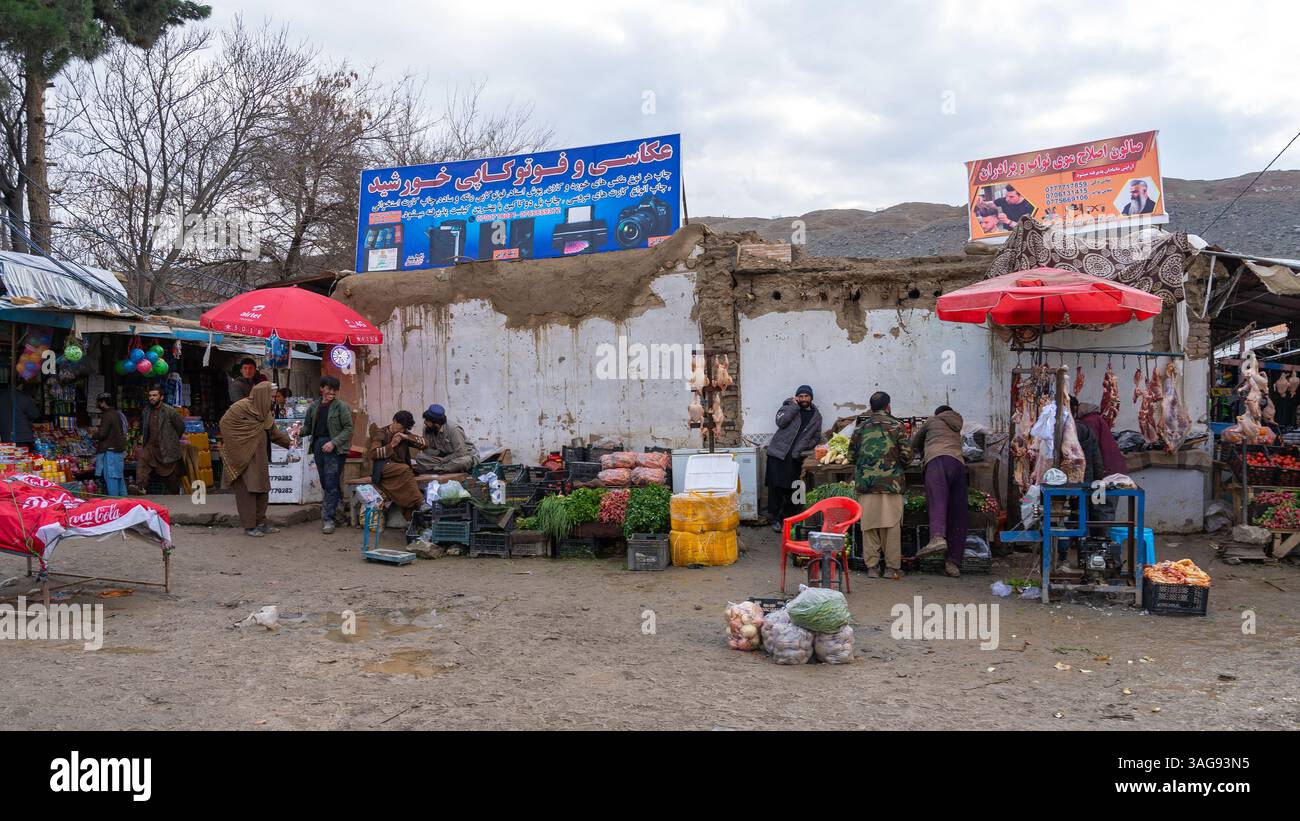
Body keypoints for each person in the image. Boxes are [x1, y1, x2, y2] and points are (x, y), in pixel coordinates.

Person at [847, 391, 913, 580]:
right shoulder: (897, 425)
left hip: (866, 484)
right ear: (888, 406)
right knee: (891, 525)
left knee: (869, 525)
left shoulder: (860, 428)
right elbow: (907, 455)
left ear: (871, 407)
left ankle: (872, 567)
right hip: (892, 483)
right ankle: (892, 568)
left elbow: (851, 456)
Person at [220, 382, 291, 538]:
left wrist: (289, 442)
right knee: (247, 492)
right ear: (261, 395)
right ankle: (249, 525)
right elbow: (225, 425)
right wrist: (240, 446)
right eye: (271, 396)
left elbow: (273, 432)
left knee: (262, 489)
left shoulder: (265, 411)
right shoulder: (240, 408)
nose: (273, 400)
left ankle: (261, 522)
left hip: (260, 457)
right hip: (243, 457)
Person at [912, 405, 968, 577]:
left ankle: (937, 537)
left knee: (938, 501)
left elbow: (914, 442)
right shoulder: (957, 424)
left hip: (936, 462)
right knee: (958, 512)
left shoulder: (932, 421)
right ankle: (953, 562)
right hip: (958, 464)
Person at [765, 386, 823, 532]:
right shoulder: (787, 407)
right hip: (778, 454)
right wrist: (794, 407)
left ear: (811, 398)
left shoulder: (816, 416)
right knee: (776, 487)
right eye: (801, 396)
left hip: (796, 456)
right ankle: (776, 518)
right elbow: (781, 422)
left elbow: (816, 435)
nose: (804, 399)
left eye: (806, 396)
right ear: (797, 397)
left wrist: (805, 446)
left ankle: (788, 517)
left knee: (794, 488)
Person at [303, 376, 353, 534]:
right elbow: (308, 427)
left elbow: (348, 429)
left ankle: (328, 519)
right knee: (326, 482)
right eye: (329, 389)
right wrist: (297, 432)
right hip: (318, 446)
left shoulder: (341, 407)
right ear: (322, 389)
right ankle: (339, 514)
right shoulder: (314, 406)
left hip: (335, 449)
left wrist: (333, 443)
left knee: (331, 482)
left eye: (334, 390)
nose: (331, 392)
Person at [366, 411, 428, 519]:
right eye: (400, 428)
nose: (401, 430)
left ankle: (412, 521)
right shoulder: (381, 433)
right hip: (383, 469)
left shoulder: (403, 434)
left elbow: (425, 444)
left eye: (404, 429)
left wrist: (406, 437)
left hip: (399, 472)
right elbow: (373, 454)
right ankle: (421, 502)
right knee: (405, 469)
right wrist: (392, 445)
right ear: (394, 421)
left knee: (405, 493)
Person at [132, 385, 185, 494]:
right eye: (150, 395)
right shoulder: (146, 411)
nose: (152, 398)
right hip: (151, 446)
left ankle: (175, 495)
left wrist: (172, 440)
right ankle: (141, 486)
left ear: (161, 397)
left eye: (155, 395)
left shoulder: (170, 411)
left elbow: (181, 427)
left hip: (167, 448)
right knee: (142, 460)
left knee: (172, 478)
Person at [413, 404, 480, 474]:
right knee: (420, 457)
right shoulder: (427, 429)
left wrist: (444, 459)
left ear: (436, 423)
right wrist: (436, 453)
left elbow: (460, 452)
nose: (425, 422)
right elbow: (427, 449)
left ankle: (438, 469)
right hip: (441, 457)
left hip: (460, 456)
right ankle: (443, 469)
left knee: (466, 461)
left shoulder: (454, 429)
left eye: (427, 420)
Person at [92, 392, 128, 496]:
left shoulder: (107, 415)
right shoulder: (116, 413)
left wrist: (93, 435)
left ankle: (115, 503)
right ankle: (124, 501)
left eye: (98, 402)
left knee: (111, 477)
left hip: (110, 450)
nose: (97, 405)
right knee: (119, 477)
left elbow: (103, 433)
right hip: (118, 450)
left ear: (103, 402)